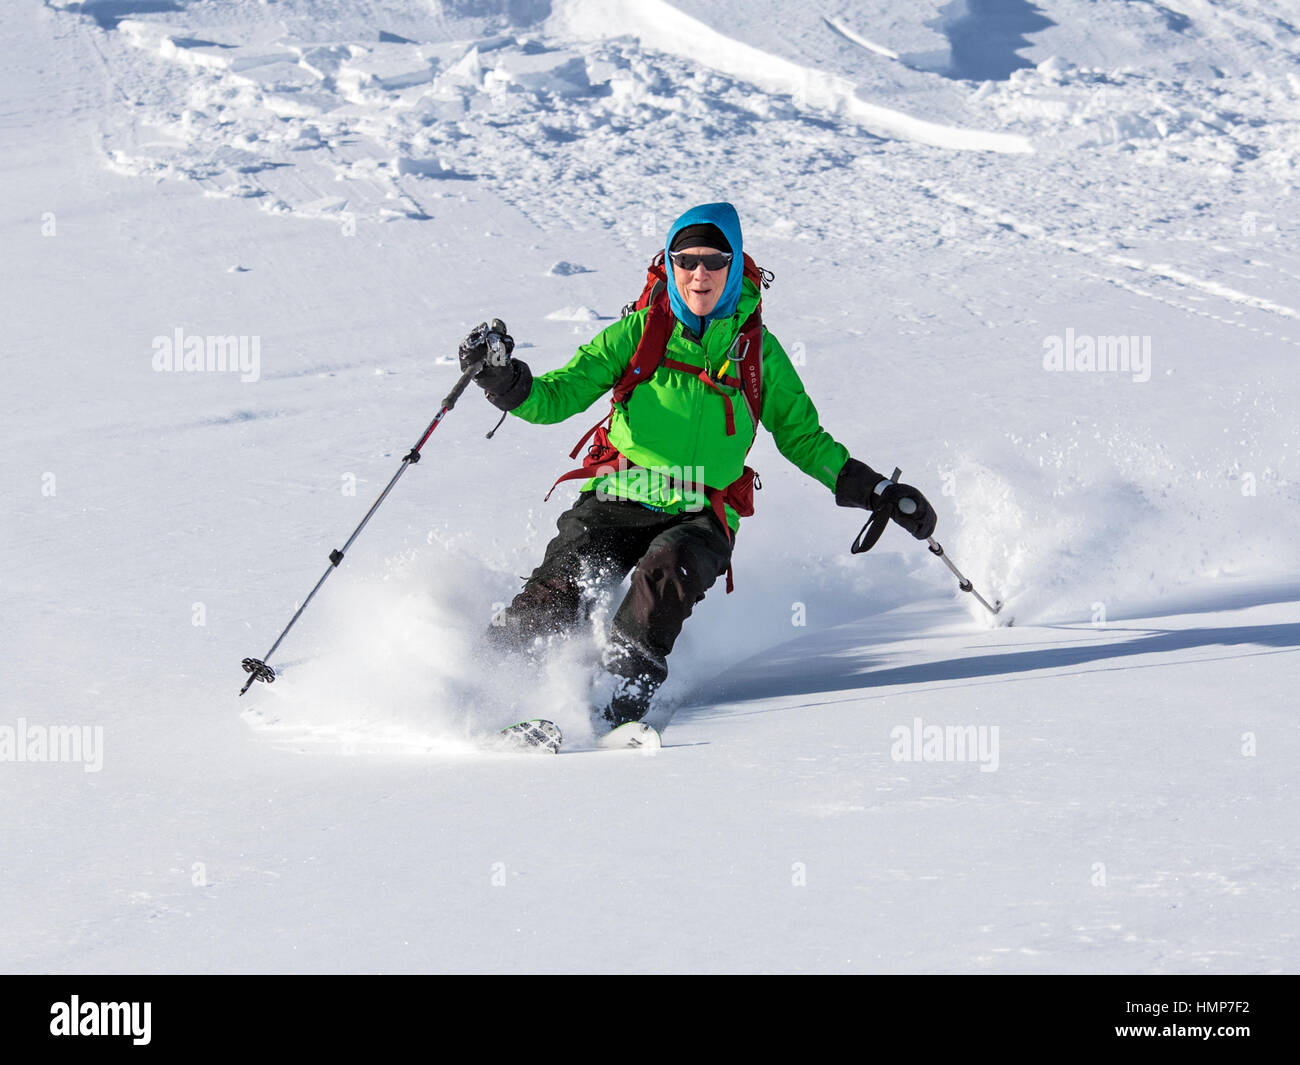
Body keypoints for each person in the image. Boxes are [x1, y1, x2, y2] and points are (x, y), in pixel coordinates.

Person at [458, 202, 935, 729]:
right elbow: (556, 396)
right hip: (622, 489)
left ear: (734, 266)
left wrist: (872, 490)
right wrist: (504, 379)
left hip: (703, 509)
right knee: (564, 584)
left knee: (660, 587)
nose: (699, 274)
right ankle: (475, 690)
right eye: (686, 260)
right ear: (670, 263)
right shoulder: (637, 333)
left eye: (713, 260)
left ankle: (610, 713)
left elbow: (801, 436)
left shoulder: (759, 354)